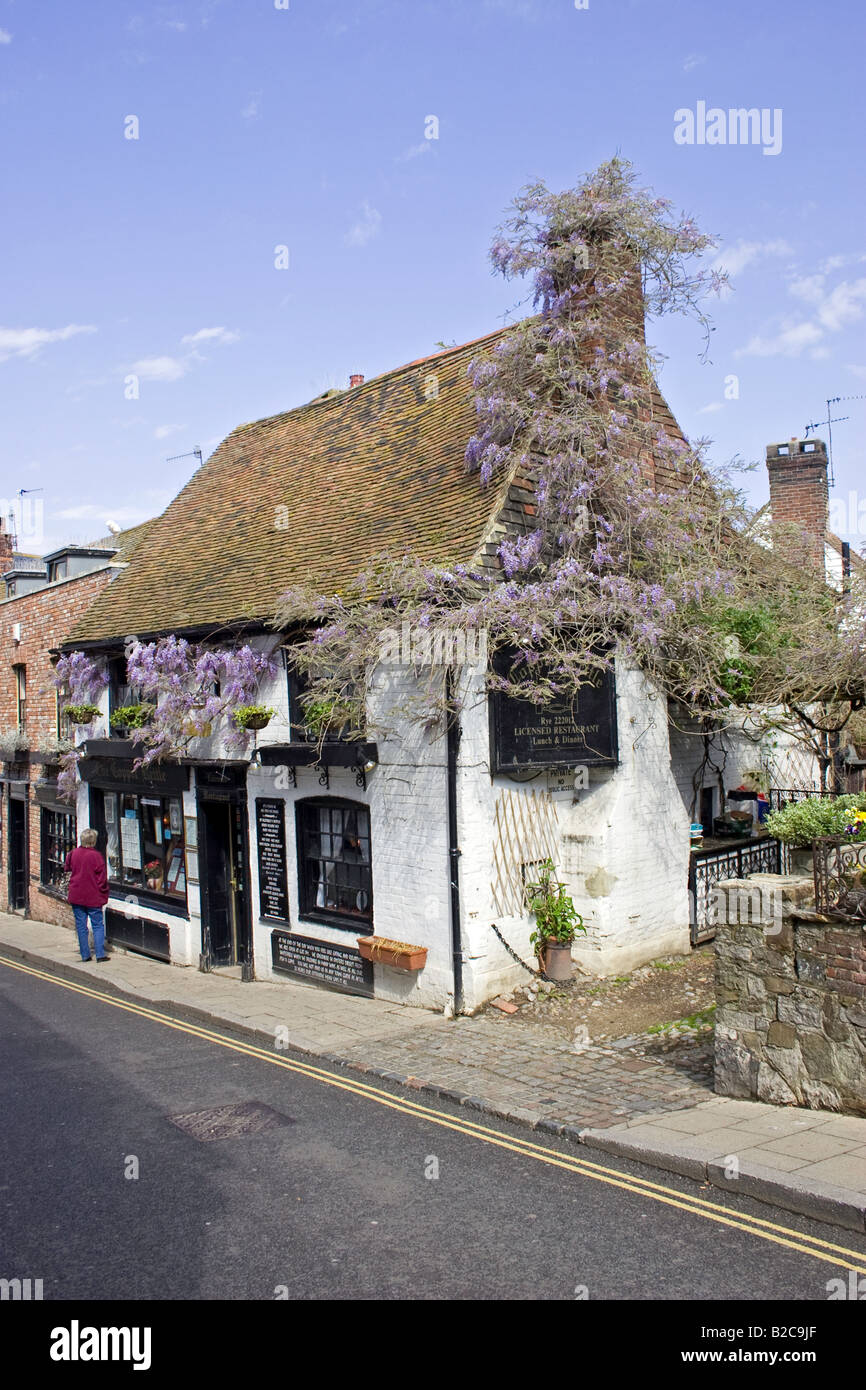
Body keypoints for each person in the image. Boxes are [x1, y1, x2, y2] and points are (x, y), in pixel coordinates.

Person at [65, 828, 110, 963]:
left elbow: (67, 868)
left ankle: (85, 955)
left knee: (81, 926)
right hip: (93, 895)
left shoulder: (73, 853)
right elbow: (102, 880)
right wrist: (104, 892)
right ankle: (100, 954)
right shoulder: (96, 856)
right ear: (94, 841)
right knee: (97, 925)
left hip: (76, 894)